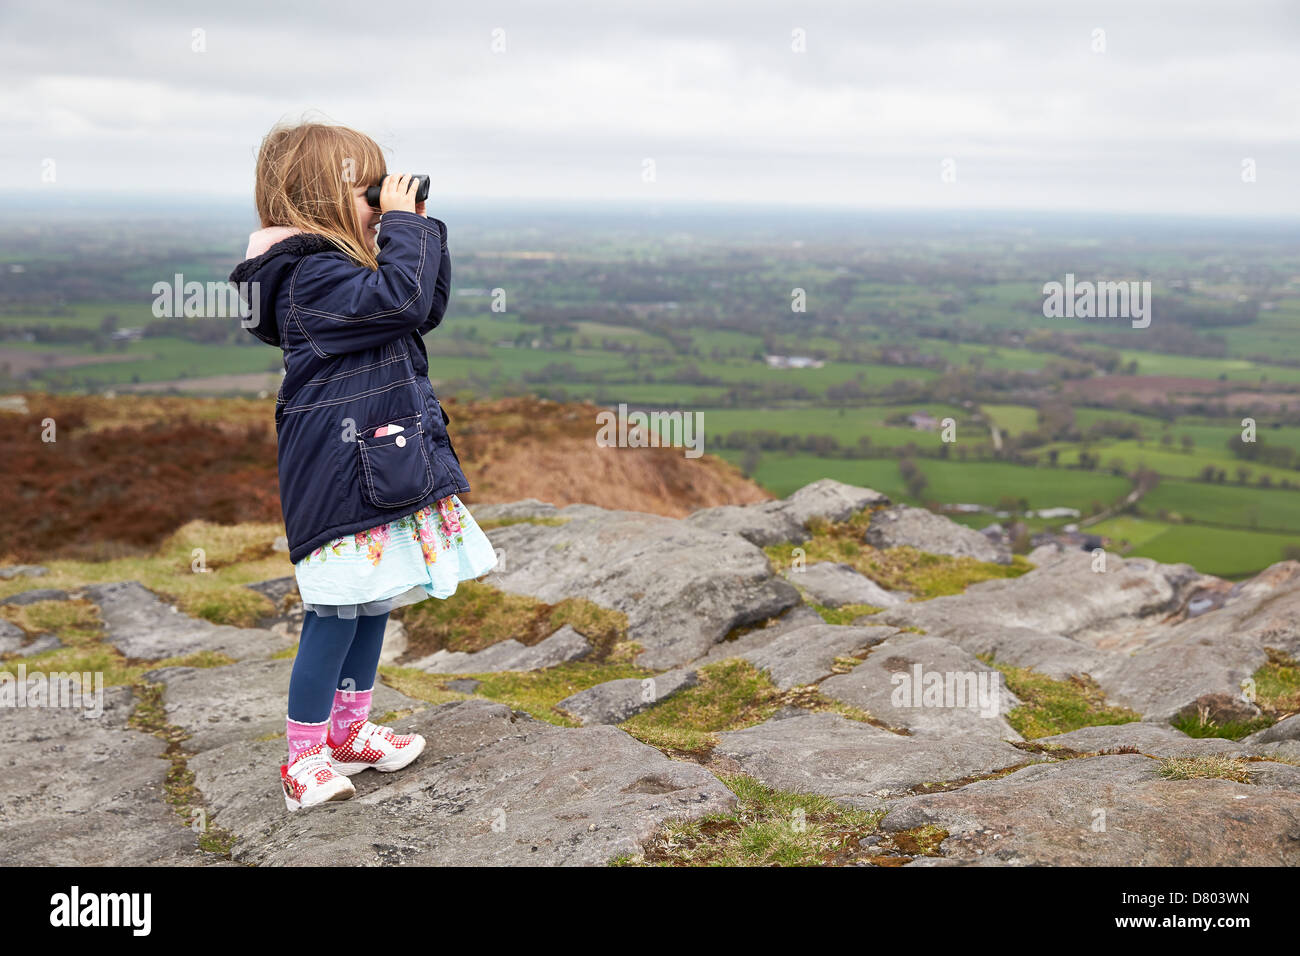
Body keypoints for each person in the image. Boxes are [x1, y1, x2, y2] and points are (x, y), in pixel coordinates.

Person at [229, 120, 496, 812]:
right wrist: (401, 228)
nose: (380, 197)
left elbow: (420, 309)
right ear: (315, 197)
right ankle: (303, 757)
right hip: (339, 473)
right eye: (364, 186)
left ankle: (347, 735)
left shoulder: (342, 268)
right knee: (333, 611)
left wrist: (421, 231)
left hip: (379, 461)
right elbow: (401, 299)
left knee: (373, 603)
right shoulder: (306, 277)